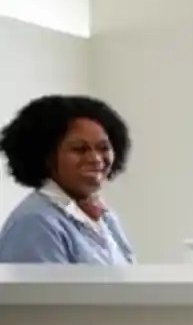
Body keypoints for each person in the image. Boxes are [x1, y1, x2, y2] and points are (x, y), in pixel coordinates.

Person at [0, 95, 134, 264]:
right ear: (45, 156)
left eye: (103, 148)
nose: (96, 158)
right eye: (79, 149)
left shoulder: (106, 218)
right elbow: (45, 291)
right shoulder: (35, 224)